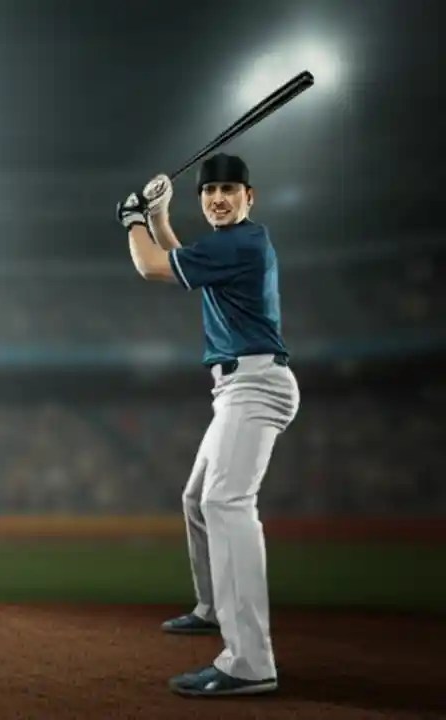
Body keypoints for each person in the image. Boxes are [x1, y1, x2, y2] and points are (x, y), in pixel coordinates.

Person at [115, 154, 300, 696]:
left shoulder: (242, 242)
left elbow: (151, 267)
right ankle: (213, 606)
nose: (219, 197)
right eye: (210, 190)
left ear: (250, 197)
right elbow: (180, 262)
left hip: (256, 384)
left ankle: (250, 662)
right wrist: (159, 216)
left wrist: (130, 219)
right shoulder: (229, 247)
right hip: (236, 388)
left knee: (226, 503)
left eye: (230, 189)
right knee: (198, 499)